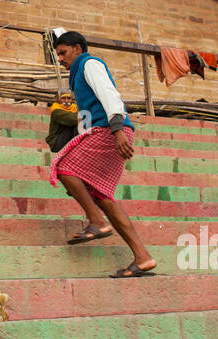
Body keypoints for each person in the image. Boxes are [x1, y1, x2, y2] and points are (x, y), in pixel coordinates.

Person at [49, 30, 157, 278]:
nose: (61, 60)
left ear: (78, 48)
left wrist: (118, 129)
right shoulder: (77, 76)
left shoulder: (90, 63)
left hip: (109, 130)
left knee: (64, 167)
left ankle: (97, 221)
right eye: (58, 56)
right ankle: (143, 257)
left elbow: (110, 95)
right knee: (101, 195)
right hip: (104, 131)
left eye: (63, 53)